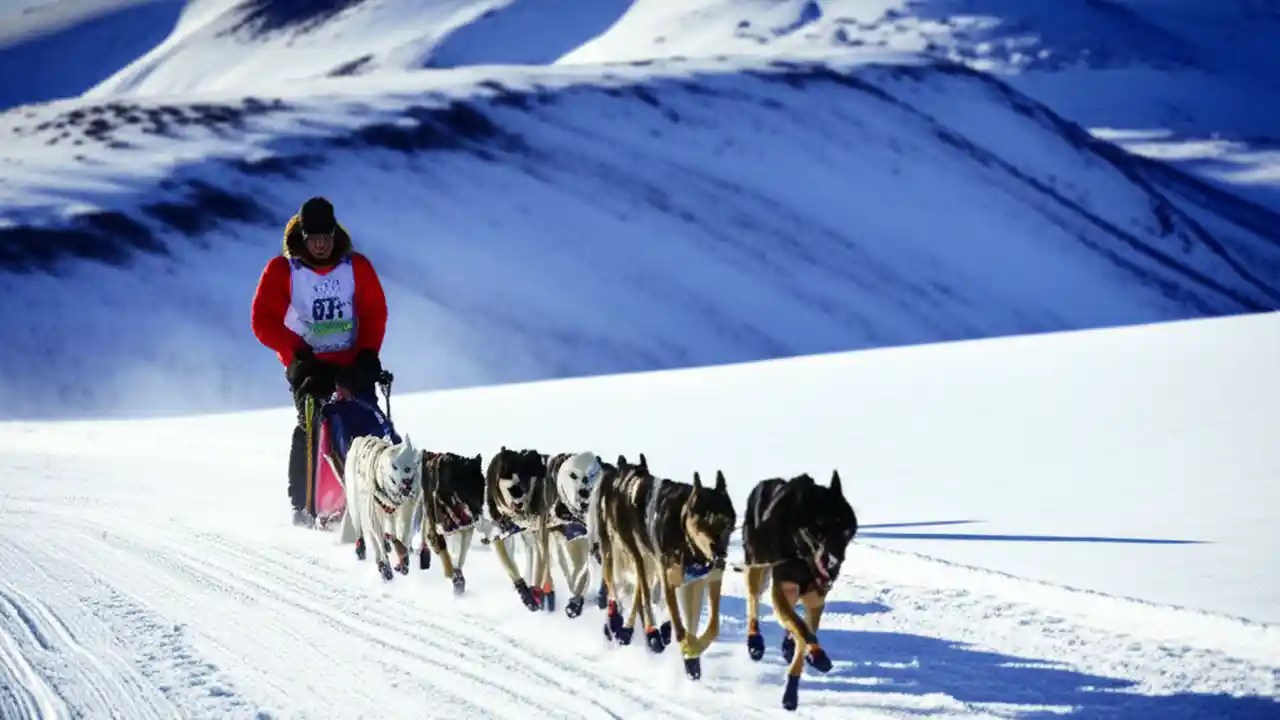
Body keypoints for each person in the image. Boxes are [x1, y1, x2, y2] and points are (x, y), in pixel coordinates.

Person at [251, 196, 389, 526]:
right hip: (309, 365)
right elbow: (263, 321)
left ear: (334, 233)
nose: (321, 245)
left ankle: (376, 499)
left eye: (326, 237)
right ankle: (304, 505)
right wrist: (297, 353)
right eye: (314, 238)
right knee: (312, 426)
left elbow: (374, 312)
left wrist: (368, 354)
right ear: (303, 236)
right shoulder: (283, 271)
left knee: (367, 426)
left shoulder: (356, 267)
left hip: (351, 361)